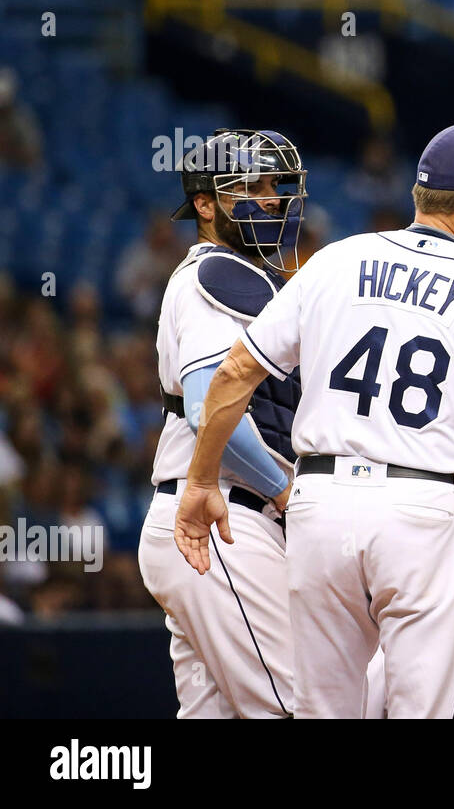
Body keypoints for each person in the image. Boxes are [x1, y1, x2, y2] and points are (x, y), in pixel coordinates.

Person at [174, 120, 454, 718]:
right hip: (423, 513)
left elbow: (234, 375)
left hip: (319, 506)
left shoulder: (335, 260)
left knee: (324, 711)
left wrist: (199, 482)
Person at [137, 129, 308, 717]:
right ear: (205, 205)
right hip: (225, 521)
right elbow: (210, 407)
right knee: (296, 708)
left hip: (203, 522)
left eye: (272, 185)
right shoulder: (216, 275)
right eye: (249, 188)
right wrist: (285, 492)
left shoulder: (241, 275)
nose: (270, 198)